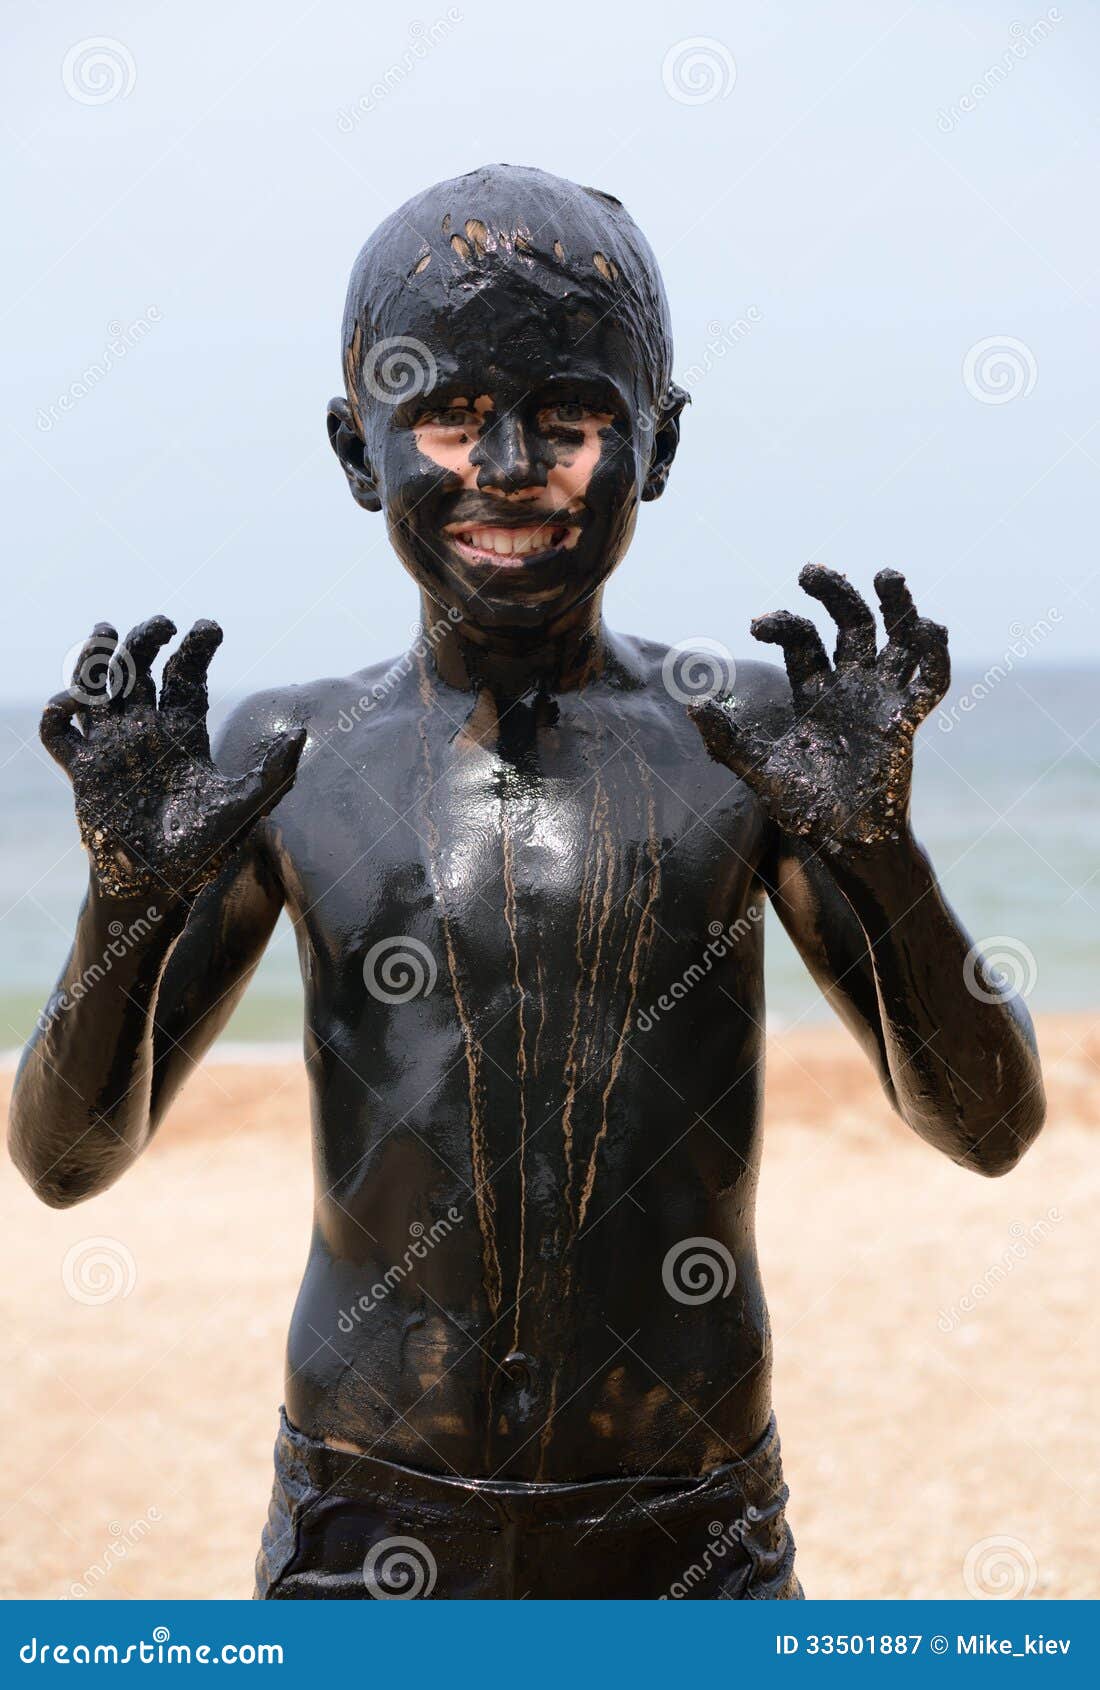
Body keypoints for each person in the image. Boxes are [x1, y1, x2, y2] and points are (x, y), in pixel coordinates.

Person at [10, 164, 1045, 1600]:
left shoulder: (746, 748)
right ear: (358, 448)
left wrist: (879, 846)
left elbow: (991, 1125)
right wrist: (124, 903)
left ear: (656, 444)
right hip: (365, 1526)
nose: (505, 467)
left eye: (568, 420)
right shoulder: (286, 762)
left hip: (690, 1529)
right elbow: (63, 1161)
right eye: (448, 414)